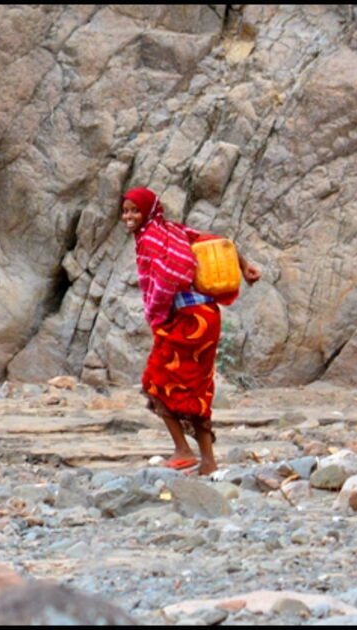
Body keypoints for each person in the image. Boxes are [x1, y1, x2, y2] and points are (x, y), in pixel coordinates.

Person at [121, 187, 261, 476]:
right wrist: (245, 267)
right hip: (206, 317)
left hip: (187, 322)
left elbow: (174, 272)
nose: (129, 216)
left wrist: (158, 313)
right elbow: (219, 242)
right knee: (195, 387)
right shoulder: (172, 230)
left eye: (135, 210)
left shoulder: (151, 238)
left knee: (157, 384)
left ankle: (185, 452)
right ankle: (205, 460)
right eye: (125, 211)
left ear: (148, 211)